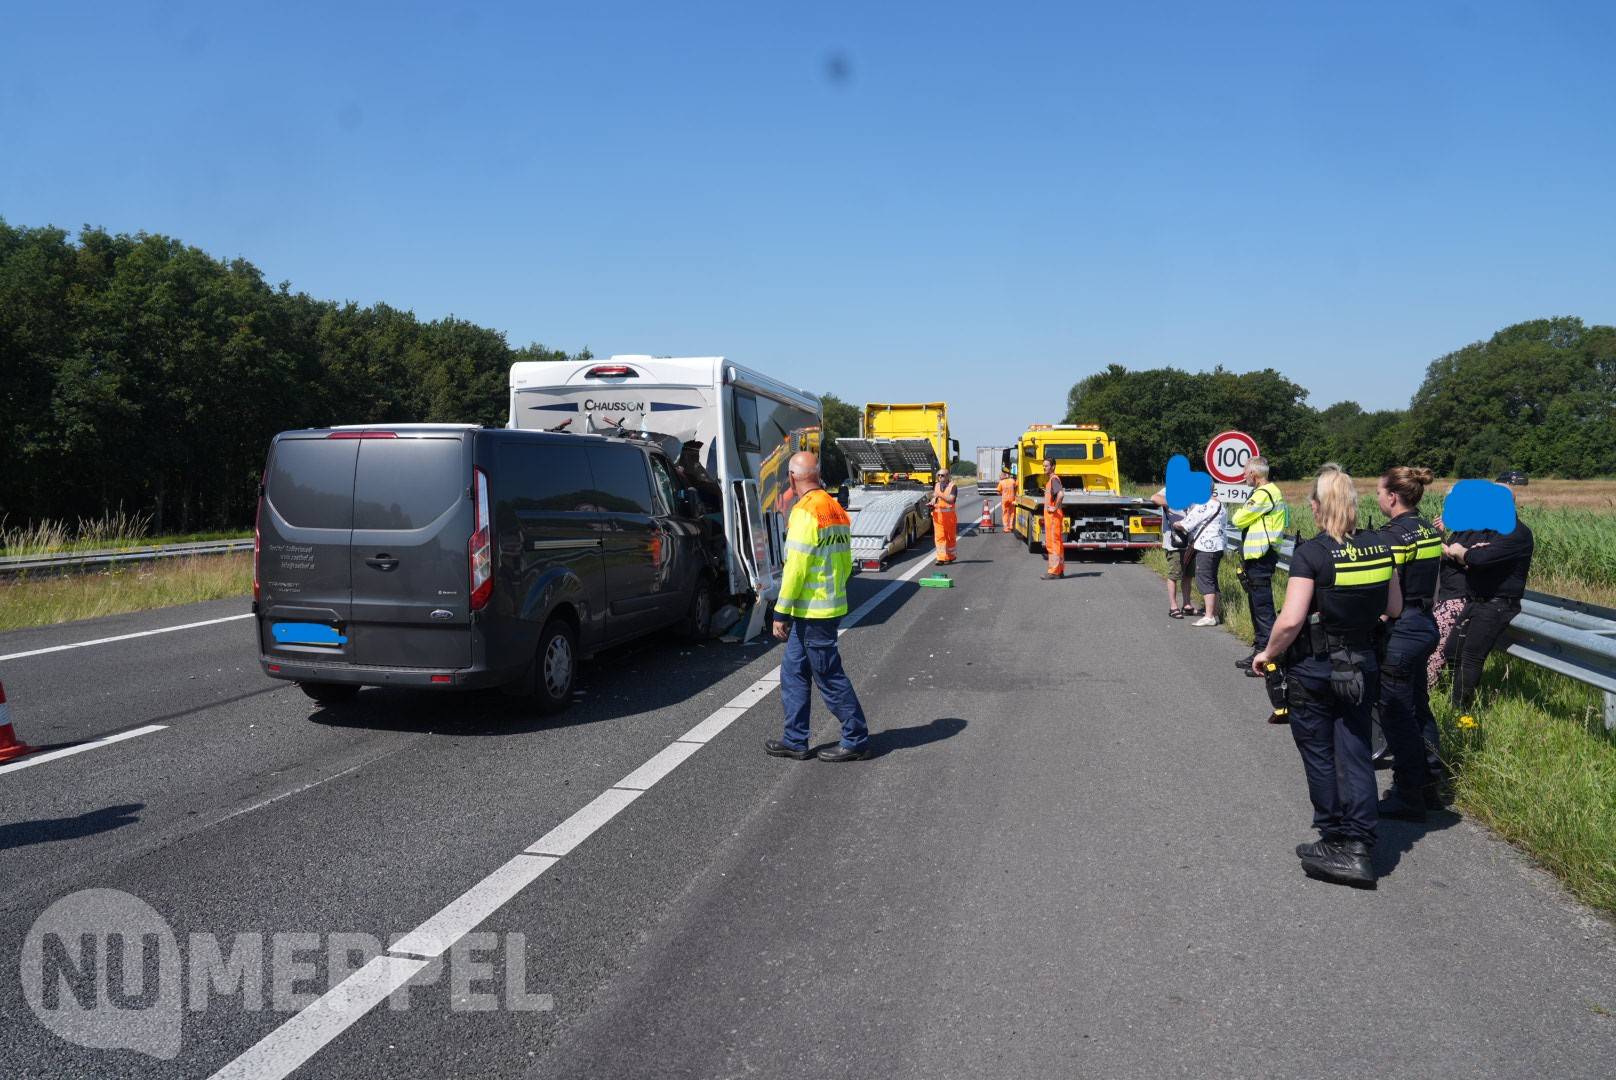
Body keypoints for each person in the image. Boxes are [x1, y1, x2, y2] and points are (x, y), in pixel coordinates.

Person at [1253, 464, 1401, 888]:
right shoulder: (1379, 547)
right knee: (1354, 749)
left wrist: (1267, 654)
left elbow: (1289, 621)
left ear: (1318, 508)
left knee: (1319, 753)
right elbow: (1393, 607)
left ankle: (1335, 838)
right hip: (1361, 664)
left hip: (1315, 670)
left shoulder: (1312, 554)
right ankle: (1359, 843)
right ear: (1354, 506)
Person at [765, 452, 871, 763]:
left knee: (828, 676)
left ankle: (857, 739)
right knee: (794, 670)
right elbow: (845, 562)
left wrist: (780, 612)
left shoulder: (804, 512)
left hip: (813, 611)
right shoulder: (835, 508)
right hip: (826, 605)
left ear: (791, 477)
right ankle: (795, 740)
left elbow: (795, 568)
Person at [1373, 466, 1445, 820]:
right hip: (1426, 622)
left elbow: (1389, 594)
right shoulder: (1427, 530)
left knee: (1396, 713)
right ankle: (1431, 782)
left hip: (1402, 629)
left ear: (1392, 497)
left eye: (1378, 492)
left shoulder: (1392, 536)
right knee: (1419, 706)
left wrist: (1376, 622)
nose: (1377, 498)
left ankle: (1408, 793)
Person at [1445, 506, 1535, 712]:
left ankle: (1460, 710)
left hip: (1499, 603)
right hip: (1477, 599)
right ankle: (1458, 693)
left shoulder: (1516, 532)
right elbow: (1474, 558)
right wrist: (1470, 553)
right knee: (1452, 650)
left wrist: (1464, 552)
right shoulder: (1492, 530)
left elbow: (1479, 558)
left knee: (1471, 656)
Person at [1231, 458, 1288, 671]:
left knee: (1263, 609)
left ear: (1254, 474)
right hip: (1258, 557)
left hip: (1261, 558)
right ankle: (1260, 651)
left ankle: (1269, 658)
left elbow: (1238, 519)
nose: (1243, 476)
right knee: (1257, 606)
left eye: (1245, 472)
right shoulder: (1267, 493)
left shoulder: (1264, 494)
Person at [1426, 514, 1468, 690]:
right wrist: (1441, 535)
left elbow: (1469, 560)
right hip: (1446, 595)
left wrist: (1444, 547)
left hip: (1456, 597)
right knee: (1435, 643)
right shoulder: (1460, 531)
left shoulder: (1475, 532)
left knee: (1436, 649)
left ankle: (1426, 691)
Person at [1178, 495, 1225, 626]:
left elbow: (1186, 524)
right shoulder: (1219, 504)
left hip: (1206, 546)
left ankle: (1209, 616)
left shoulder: (1203, 505)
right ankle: (1215, 614)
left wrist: (1176, 524)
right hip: (1218, 546)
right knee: (1212, 579)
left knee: (1204, 579)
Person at [1149, 487, 1194, 617]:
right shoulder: (1169, 490)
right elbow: (1154, 498)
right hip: (1174, 542)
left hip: (1190, 541)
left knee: (1188, 575)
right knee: (1174, 574)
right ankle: (1173, 606)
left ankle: (1187, 604)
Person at [1041, 458, 1065, 579]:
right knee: (1058, 544)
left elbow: (1060, 494)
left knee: (1053, 544)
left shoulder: (1054, 479)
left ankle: (1054, 572)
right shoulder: (1052, 480)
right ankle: (1060, 570)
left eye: (1046, 466)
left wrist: (1054, 508)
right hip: (1054, 517)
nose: (1044, 468)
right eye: (1043, 466)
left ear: (1053, 466)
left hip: (1053, 518)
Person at [930, 466, 959, 565]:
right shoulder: (937, 485)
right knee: (939, 537)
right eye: (939, 475)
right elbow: (935, 497)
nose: (940, 477)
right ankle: (941, 558)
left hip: (949, 517)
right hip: (938, 516)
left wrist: (939, 495)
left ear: (947, 476)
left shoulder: (953, 486)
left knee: (950, 537)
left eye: (942, 475)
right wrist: (932, 502)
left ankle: (951, 556)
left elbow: (951, 499)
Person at [997, 469, 1017, 537]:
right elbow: (1016, 486)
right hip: (1012, 499)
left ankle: (1006, 528)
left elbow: (998, 492)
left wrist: (1002, 493)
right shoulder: (1012, 481)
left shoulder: (1001, 482)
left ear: (1003, 476)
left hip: (1005, 500)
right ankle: (1011, 526)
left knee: (1005, 513)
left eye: (1000, 476)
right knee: (1012, 513)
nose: (999, 477)